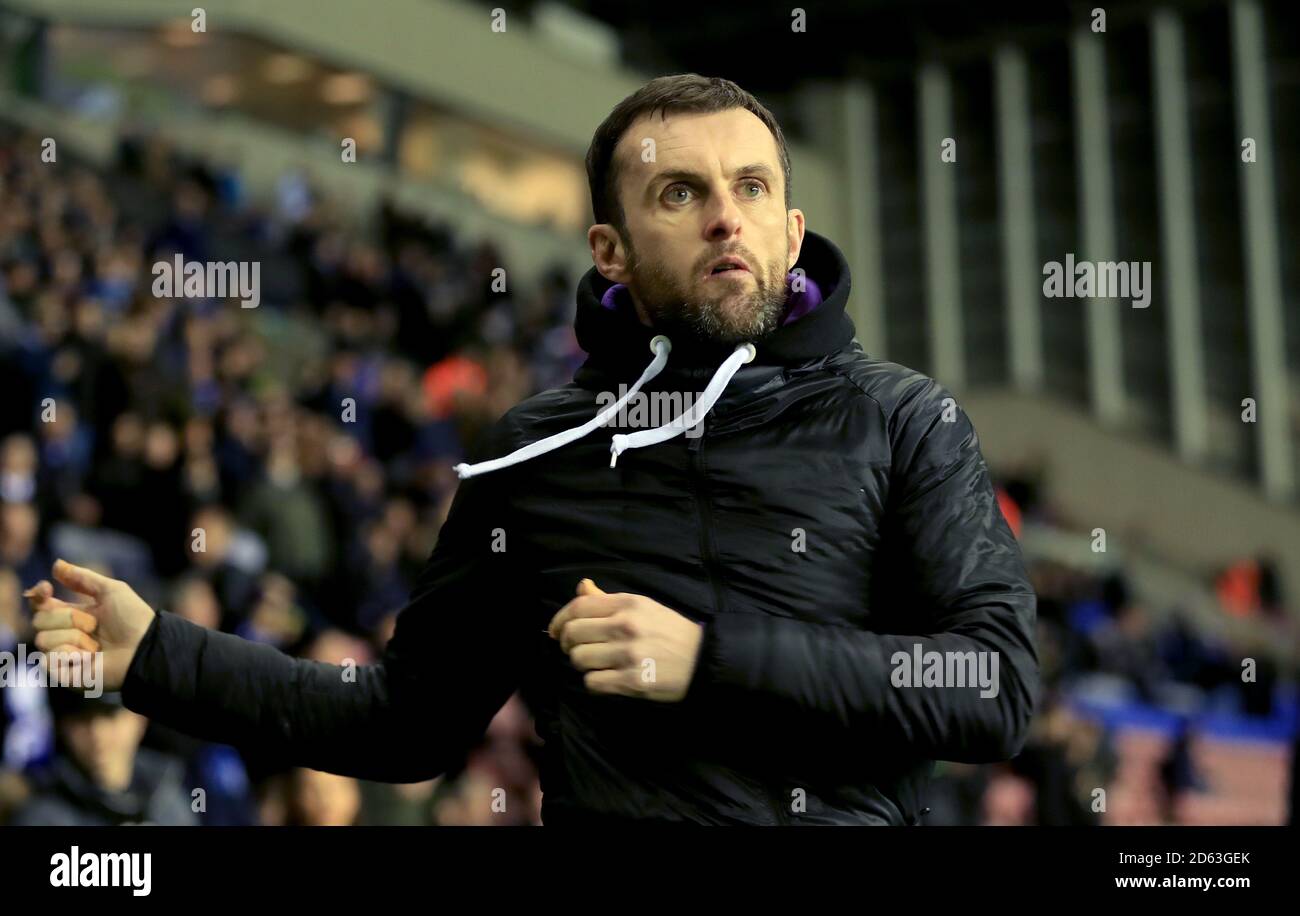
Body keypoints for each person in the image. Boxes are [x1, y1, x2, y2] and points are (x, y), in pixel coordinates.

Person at [27, 74, 1037, 825]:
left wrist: (712, 659)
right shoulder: (539, 451)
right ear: (609, 248)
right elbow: (402, 722)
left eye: (752, 187)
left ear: (790, 225)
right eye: (679, 192)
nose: (727, 215)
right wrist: (159, 653)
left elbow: (990, 685)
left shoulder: (904, 418)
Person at [9, 688, 196, 826]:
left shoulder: (169, 797)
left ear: (140, 719)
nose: (97, 734)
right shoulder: (44, 815)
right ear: (63, 728)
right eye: (82, 719)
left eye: (109, 715)